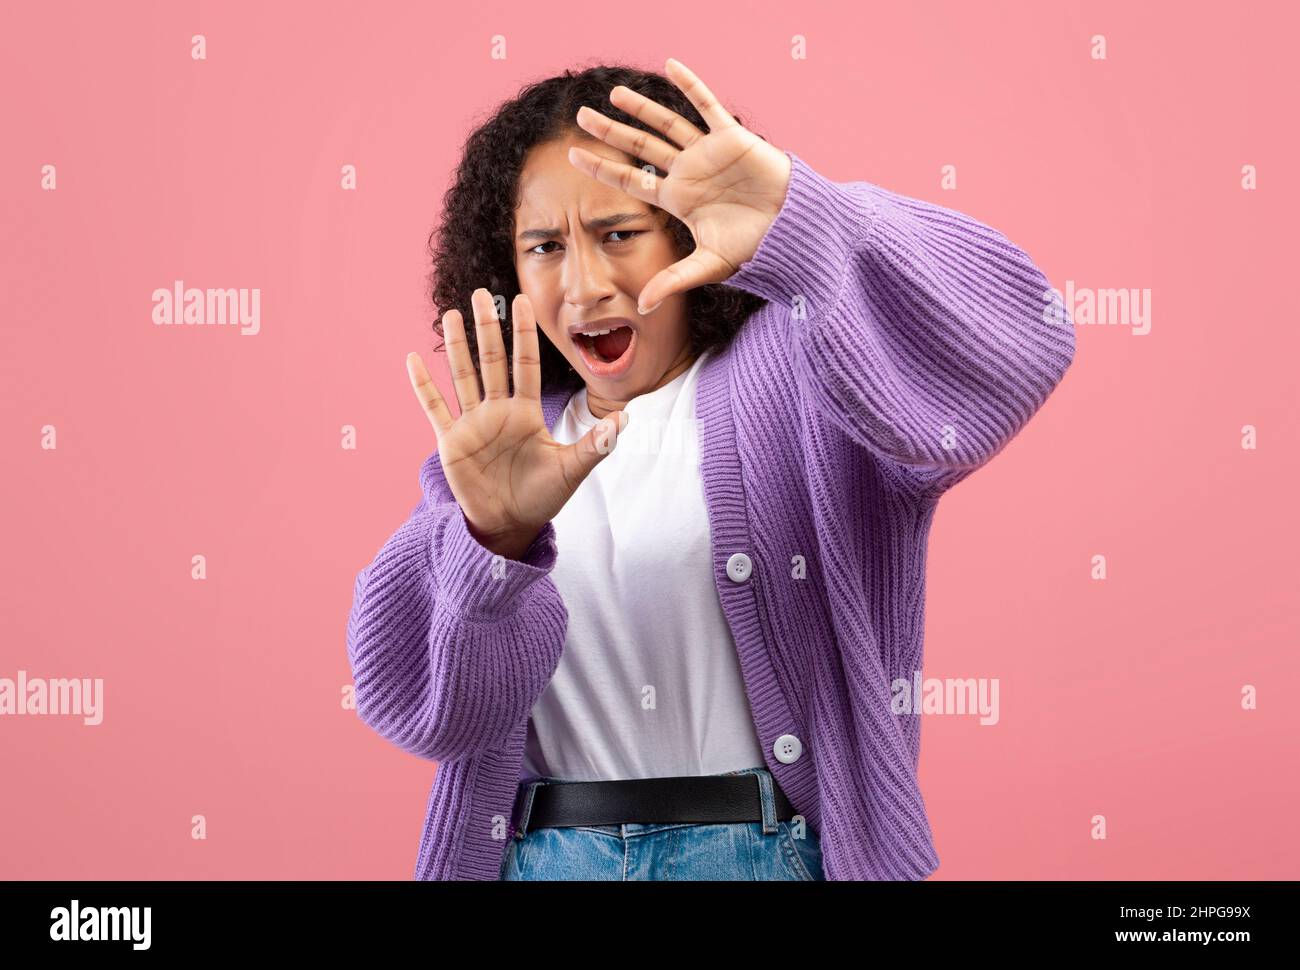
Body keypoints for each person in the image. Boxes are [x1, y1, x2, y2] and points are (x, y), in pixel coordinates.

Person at [346, 57, 1076, 881]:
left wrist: (809, 218)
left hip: (756, 856)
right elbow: (426, 713)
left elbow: (1024, 335)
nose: (585, 283)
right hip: (538, 860)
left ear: (685, 228)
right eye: (545, 247)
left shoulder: (805, 370)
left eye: (619, 233)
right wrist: (494, 540)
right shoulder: (497, 450)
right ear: (505, 271)